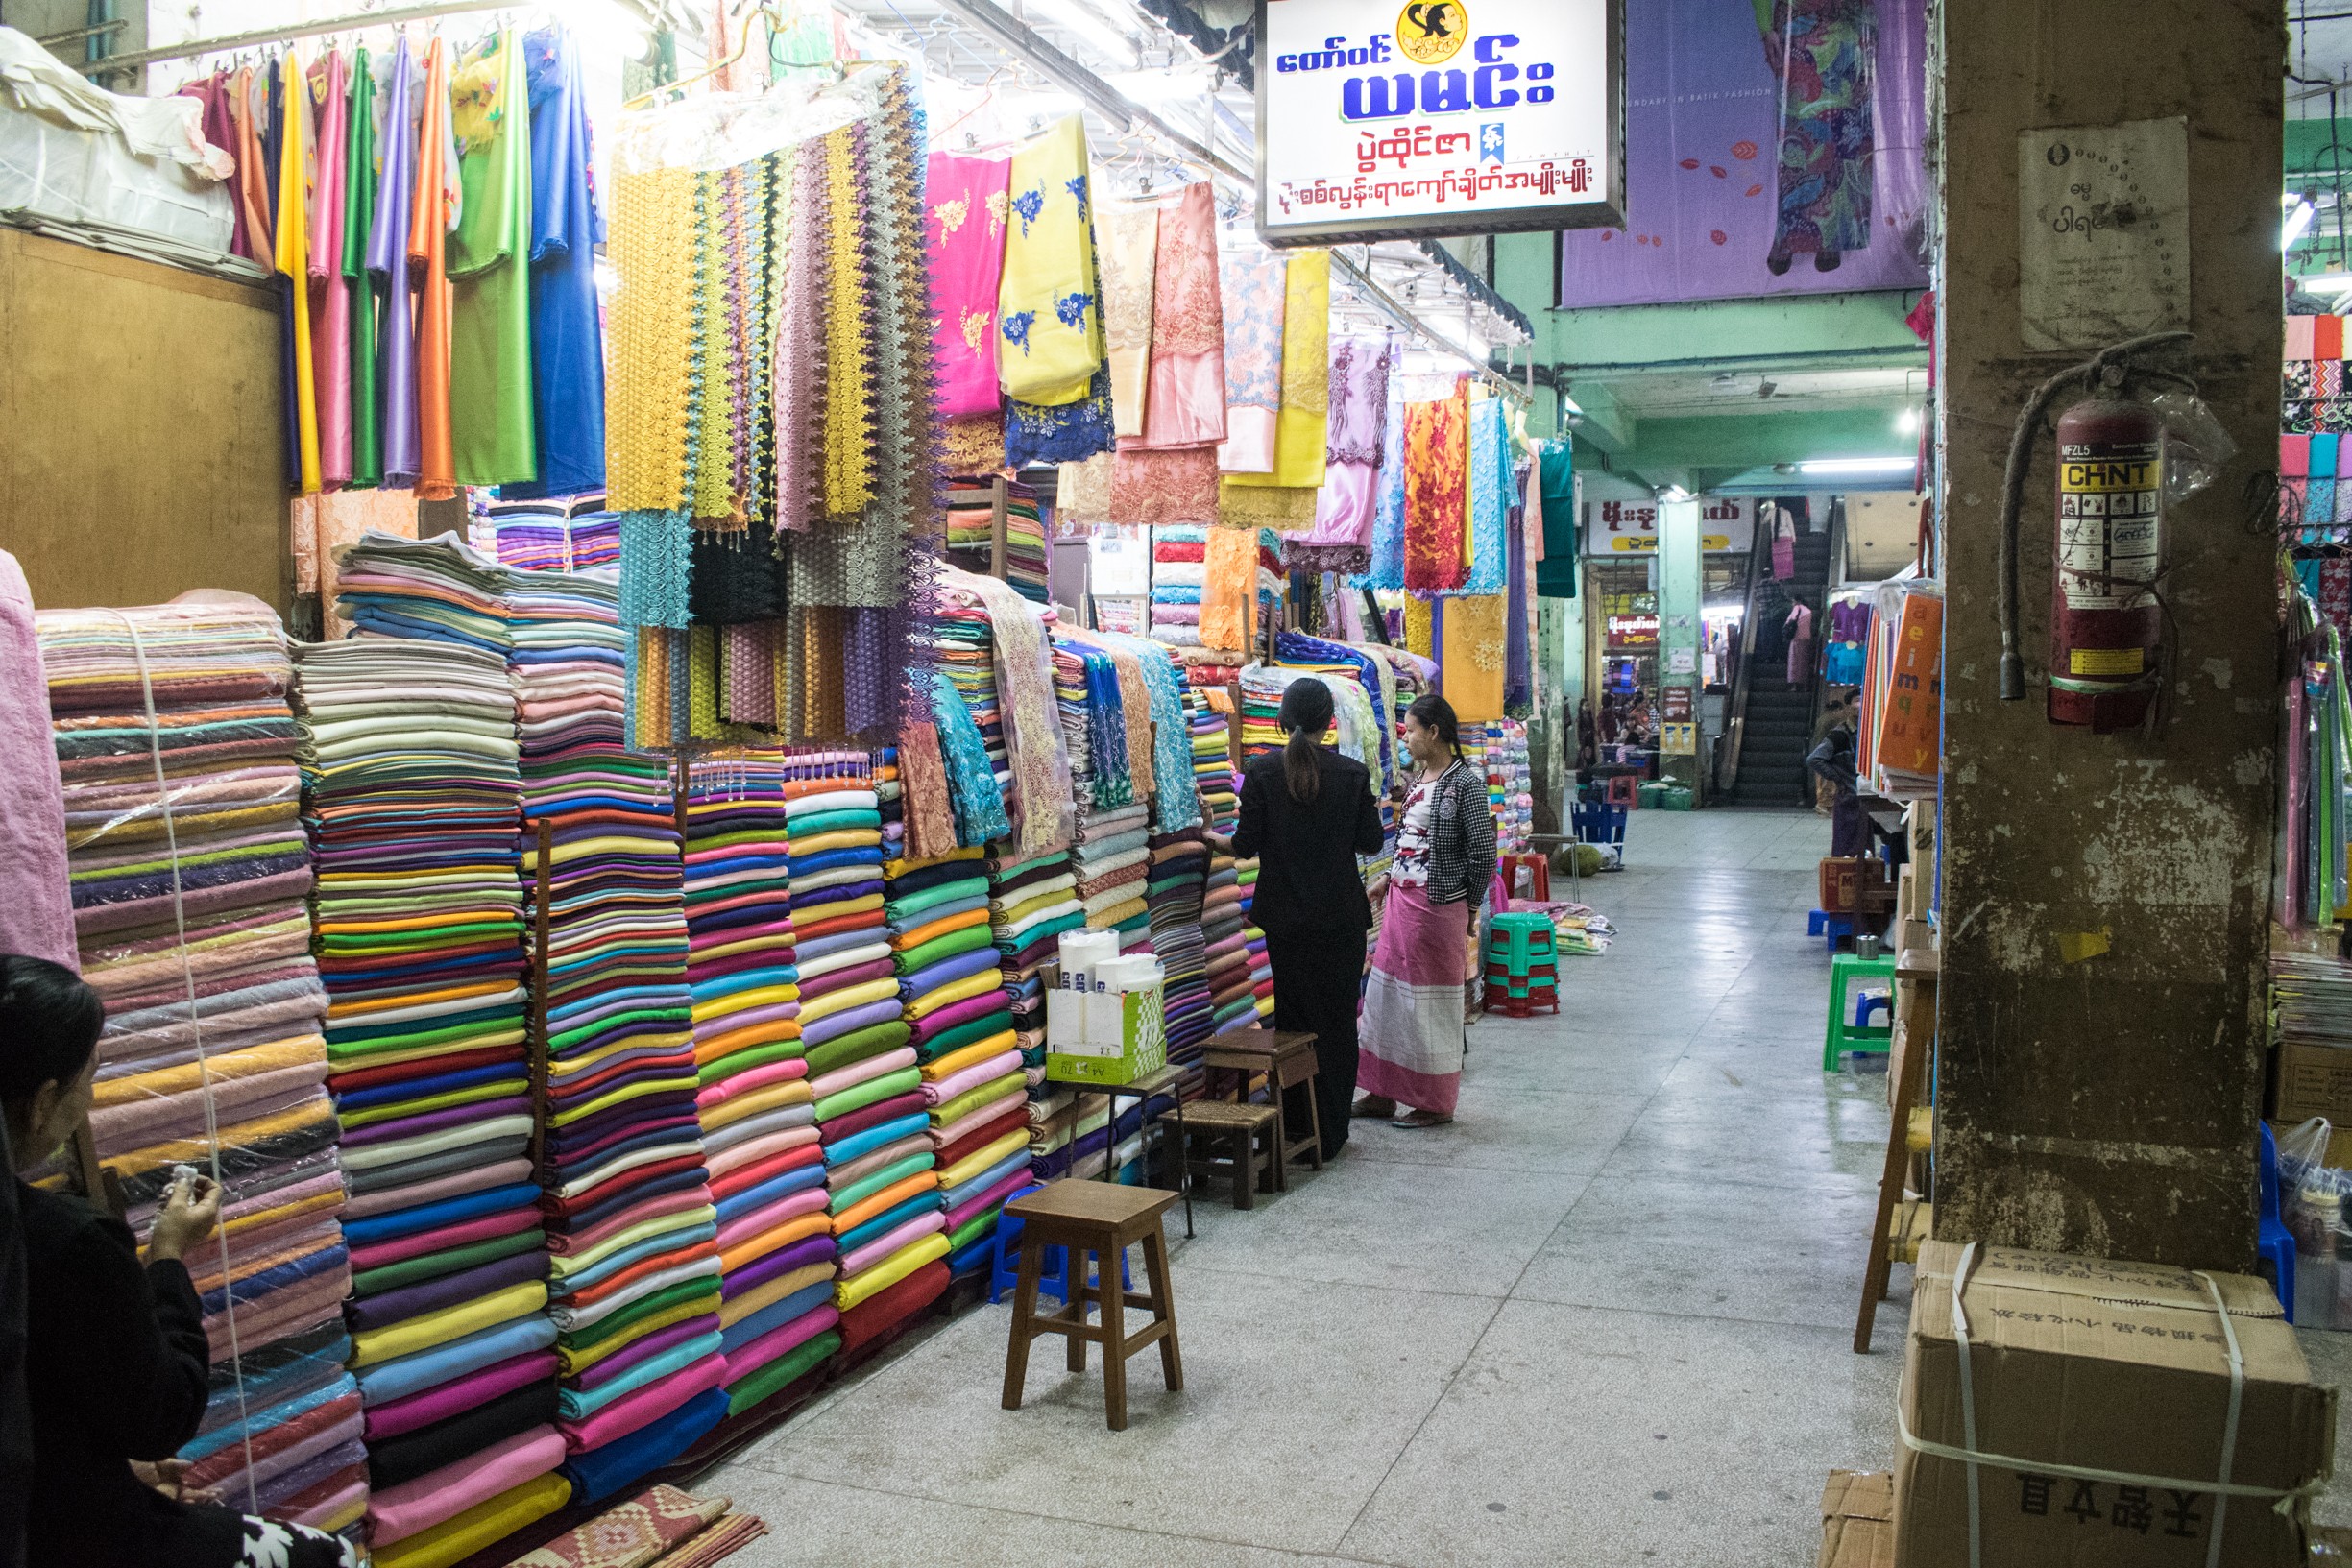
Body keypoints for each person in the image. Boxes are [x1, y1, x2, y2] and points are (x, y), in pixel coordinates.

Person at [0, 954, 359, 1568]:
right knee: (334, 1559)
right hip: (65, 1538)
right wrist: (167, 1256)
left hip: (46, 1502)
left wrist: (110, 1467)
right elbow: (164, 1410)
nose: (92, 1096)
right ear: (40, 1102)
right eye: (90, 1074)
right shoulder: (68, 1242)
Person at [1208, 679, 1384, 1159]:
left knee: (1294, 1023)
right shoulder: (1352, 774)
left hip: (1286, 924)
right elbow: (1371, 841)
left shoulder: (1263, 772)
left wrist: (1208, 834)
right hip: (1341, 921)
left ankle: (1296, 1127)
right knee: (1337, 1024)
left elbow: (1243, 845)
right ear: (1330, 722)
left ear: (1281, 720)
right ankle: (1332, 1131)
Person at [1354, 696, 1497, 1129]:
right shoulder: (1421, 777)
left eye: (1412, 729)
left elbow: (1483, 852)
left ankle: (1435, 1102)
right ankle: (1382, 1092)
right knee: (1387, 997)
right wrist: (1389, 878)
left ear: (1434, 732)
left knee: (1428, 1004)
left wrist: (1470, 905)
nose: (1406, 737)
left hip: (1437, 908)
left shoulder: (1465, 784)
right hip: (1403, 902)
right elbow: (1410, 840)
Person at [1808, 696, 1872, 856]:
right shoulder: (1840, 735)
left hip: (1865, 799)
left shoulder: (1869, 732)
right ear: (1847, 708)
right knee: (1846, 848)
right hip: (1848, 799)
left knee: (1864, 849)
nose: (1860, 705)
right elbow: (1814, 759)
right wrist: (1837, 777)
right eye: (1857, 700)